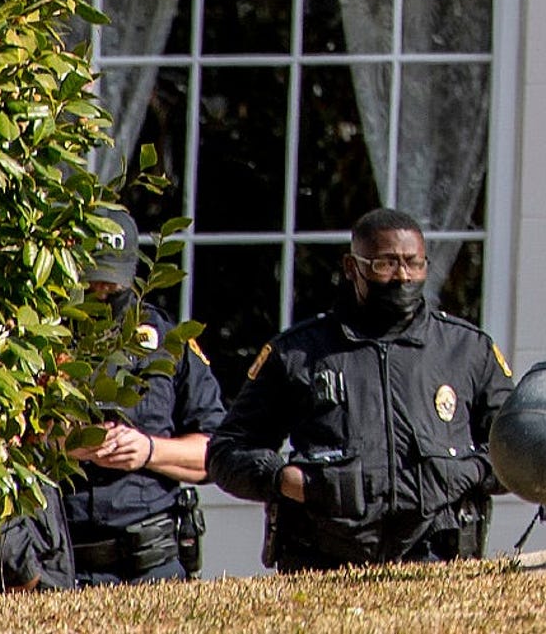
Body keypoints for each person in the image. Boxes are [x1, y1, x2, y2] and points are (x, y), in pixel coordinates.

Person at [207, 208, 511, 570]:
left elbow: (520, 447)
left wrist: (469, 471)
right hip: (324, 559)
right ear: (352, 267)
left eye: (414, 263)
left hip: (438, 557)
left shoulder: (467, 349)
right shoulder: (299, 352)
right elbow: (226, 452)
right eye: (386, 264)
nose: (403, 277)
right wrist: (282, 478)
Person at [59, 209, 222, 582]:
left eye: (111, 285)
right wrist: (66, 445)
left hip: (152, 563)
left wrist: (148, 451)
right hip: (62, 563)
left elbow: (218, 453)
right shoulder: (44, 341)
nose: (101, 292)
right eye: (93, 281)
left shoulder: (170, 345)